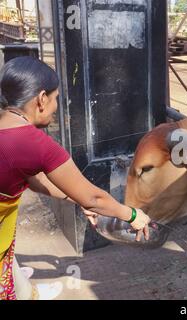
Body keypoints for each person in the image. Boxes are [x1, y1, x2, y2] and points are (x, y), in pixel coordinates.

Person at [0, 56, 151, 300]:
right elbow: (94, 197)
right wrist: (132, 215)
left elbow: (35, 180)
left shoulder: (5, 126)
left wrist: (77, 199)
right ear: (41, 99)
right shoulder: (36, 143)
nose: (56, 106)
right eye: (56, 98)